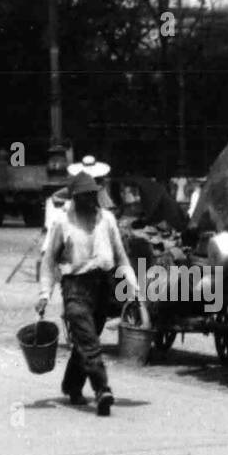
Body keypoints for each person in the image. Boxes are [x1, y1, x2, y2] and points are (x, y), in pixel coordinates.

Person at [35, 171, 140, 416]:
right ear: (74, 198)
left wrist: (133, 287)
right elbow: (49, 260)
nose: (91, 200)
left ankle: (72, 385)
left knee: (86, 338)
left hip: (103, 286)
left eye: (93, 195)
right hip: (75, 287)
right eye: (85, 196)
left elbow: (121, 256)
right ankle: (102, 389)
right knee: (89, 340)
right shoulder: (62, 222)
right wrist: (44, 294)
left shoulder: (107, 220)